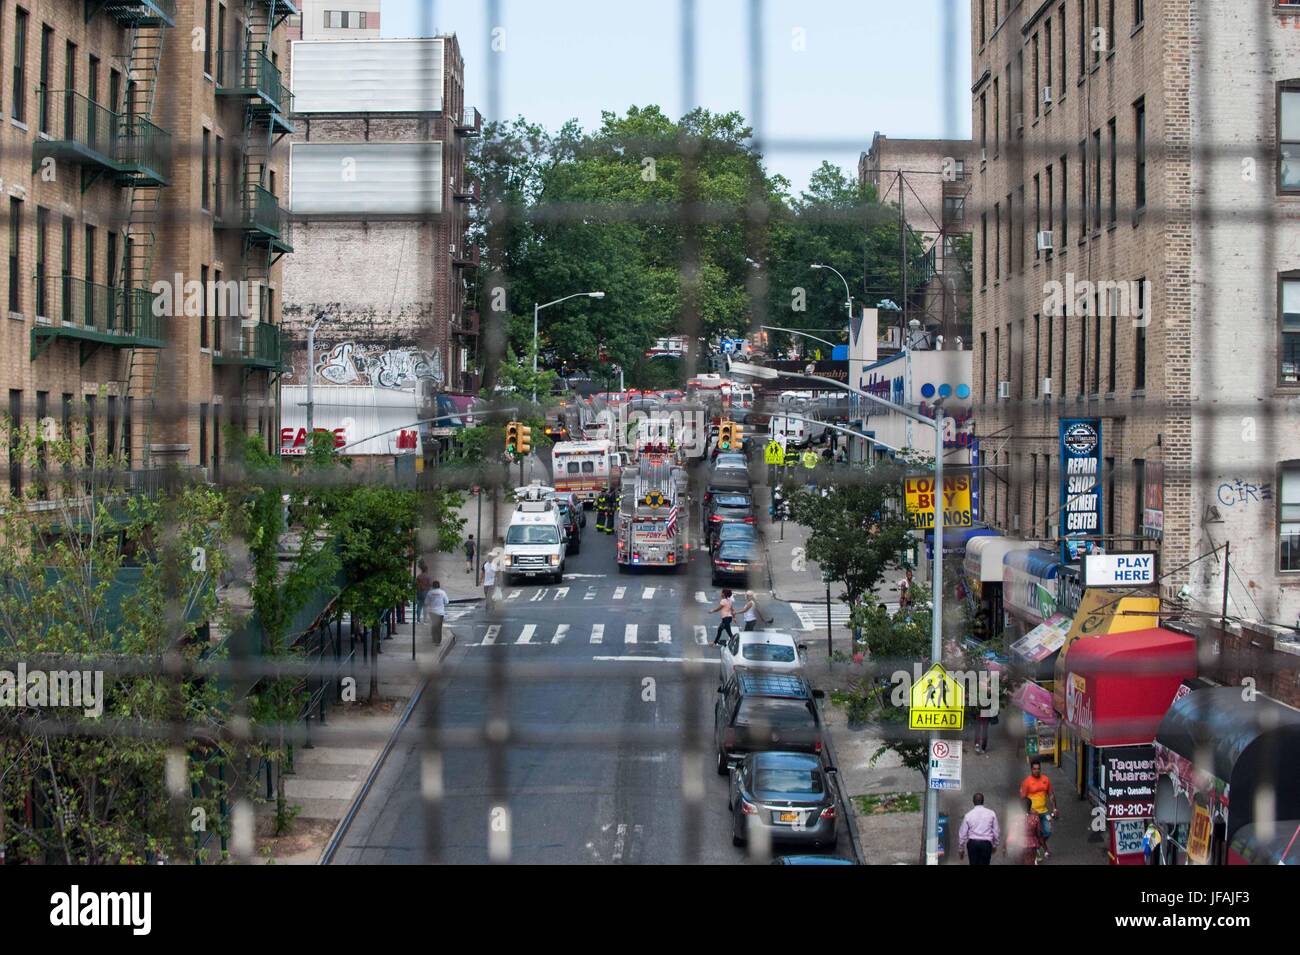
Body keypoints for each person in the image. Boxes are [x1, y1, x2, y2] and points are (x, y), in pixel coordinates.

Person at [1019, 759, 1058, 860]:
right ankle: (1043, 849)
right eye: (1035, 769)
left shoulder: (1045, 779)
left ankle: (1037, 846)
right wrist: (1029, 811)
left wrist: (1054, 808)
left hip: (1044, 811)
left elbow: (1051, 795)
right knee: (1037, 833)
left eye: (1038, 769)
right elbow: (1022, 799)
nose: (1037, 771)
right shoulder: (1026, 782)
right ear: (1031, 769)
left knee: (1048, 831)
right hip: (1033, 813)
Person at [958, 793, 999, 865]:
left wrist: (961, 849)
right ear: (983, 801)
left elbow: (962, 833)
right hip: (986, 845)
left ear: (973, 801)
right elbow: (996, 831)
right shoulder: (991, 813)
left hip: (972, 845)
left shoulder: (968, 815)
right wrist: (995, 844)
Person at [1006, 797, 1043, 865]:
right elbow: (1039, 833)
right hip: (1031, 846)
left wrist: (1007, 845)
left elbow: (1011, 833)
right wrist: (1040, 844)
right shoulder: (1035, 818)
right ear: (1030, 806)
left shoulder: (1015, 818)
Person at [425, 579, 449, 645]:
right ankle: (438, 641)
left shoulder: (430, 593)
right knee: (439, 627)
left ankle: (434, 639)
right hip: (440, 612)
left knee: (433, 625)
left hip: (432, 611)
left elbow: (426, 602)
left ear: (433, 586)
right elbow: (446, 601)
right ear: (439, 586)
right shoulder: (443, 592)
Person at [414, 559, 432, 624]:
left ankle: (418, 620)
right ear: (426, 570)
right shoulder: (428, 577)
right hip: (426, 593)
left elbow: (416, 584)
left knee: (419, 606)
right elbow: (430, 584)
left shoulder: (419, 576)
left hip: (419, 592)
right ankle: (425, 620)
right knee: (425, 607)